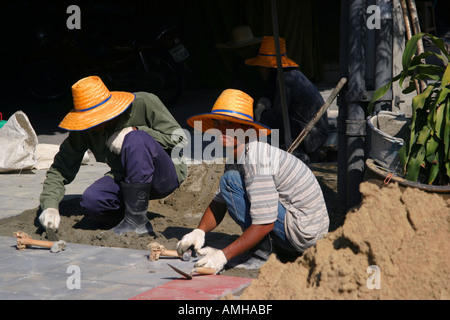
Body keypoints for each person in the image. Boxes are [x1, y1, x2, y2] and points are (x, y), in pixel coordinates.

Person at [176, 88, 329, 274]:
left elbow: (265, 223)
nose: (222, 128)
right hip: (297, 224)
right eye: (218, 123)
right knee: (230, 182)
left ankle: (260, 254)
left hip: (304, 233)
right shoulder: (237, 155)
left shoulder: (257, 158)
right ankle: (268, 247)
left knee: (230, 181)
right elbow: (220, 200)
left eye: (230, 124)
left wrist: (223, 256)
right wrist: (199, 232)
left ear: (246, 129)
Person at [38, 76, 188, 235]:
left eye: (95, 119)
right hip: (126, 178)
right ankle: (133, 216)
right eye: (87, 120)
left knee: (135, 139)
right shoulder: (85, 130)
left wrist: (136, 130)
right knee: (92, 200)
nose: (92, 125)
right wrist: (50, 206)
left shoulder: (144, 102)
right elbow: (60, 169)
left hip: (163, 177)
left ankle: (136, 219)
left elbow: (180, 138)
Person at [245, 36, 329, 164]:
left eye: (264, 66)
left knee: (267, 117)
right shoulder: (290, 75)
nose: (260, 70)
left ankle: (294, 155)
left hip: (311, 136)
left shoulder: (285, 79)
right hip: (312, 133)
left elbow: (279, 114)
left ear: (272, 67)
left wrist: (261, 113)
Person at [215, 25, 264, 100]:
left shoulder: (263, 59)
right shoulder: (238, 62)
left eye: (243, 49)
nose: (240, 53)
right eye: (239, 50)